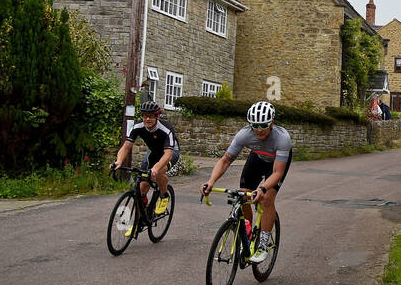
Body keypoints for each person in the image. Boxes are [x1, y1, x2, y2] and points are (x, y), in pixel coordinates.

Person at [200, 101, 292, 264]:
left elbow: (278, 172)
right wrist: (211, 181)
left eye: (263, 125)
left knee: (267, 200)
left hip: (276, 164)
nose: (259, 130)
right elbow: (225, 160)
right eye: (254, 125)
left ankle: (263, 245)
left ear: (272, 123)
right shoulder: (244, 134)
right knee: (243, 195)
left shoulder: (282, 138)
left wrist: (262, 188)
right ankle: (248, 233)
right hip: (257, 158)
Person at [111, 97, 179, 228]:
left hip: (170, 153)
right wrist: (118, 161)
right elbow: (126, 146)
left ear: (157, 117)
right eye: (145, 116)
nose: (148, 119)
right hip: (153, 152)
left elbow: (168, 154)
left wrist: (156, 168)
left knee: (158, 172)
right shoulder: (138, 127)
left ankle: (164, 196)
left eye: (151, 116)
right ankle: (142, 218)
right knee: (141, 186)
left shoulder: (166, 129)